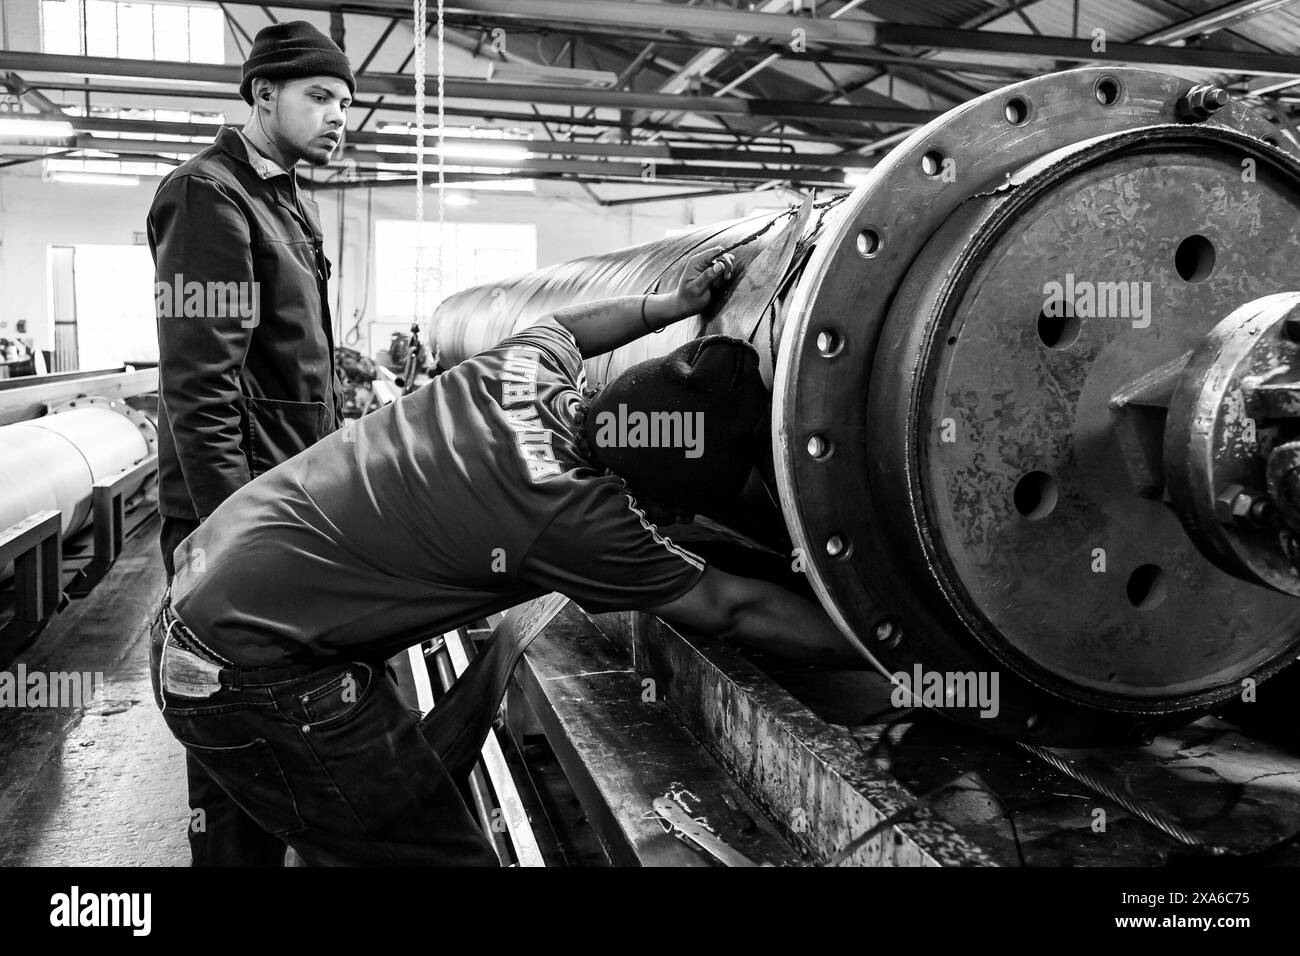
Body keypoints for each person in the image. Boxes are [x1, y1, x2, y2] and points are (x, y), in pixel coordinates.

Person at [150, 247, 865, 865]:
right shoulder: (580, 519)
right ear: (654, 494)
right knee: (430, 858)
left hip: (203, 591)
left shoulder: (520, 372)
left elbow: (565, 325)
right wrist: (883, 652)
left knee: (243, 838)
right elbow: (735, 607)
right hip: (256, 673)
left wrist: (667, 303)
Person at [146, 19, 355, 865]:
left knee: (277, 717)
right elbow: (199, 387)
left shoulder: (281, 197)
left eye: (346, 102)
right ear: (262, 94)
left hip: (288, 501)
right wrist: (230, 533)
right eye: (320, 97)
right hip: (240, 515)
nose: (340, 116)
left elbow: (292, 367)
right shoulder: (209, 196)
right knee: (236, 726)